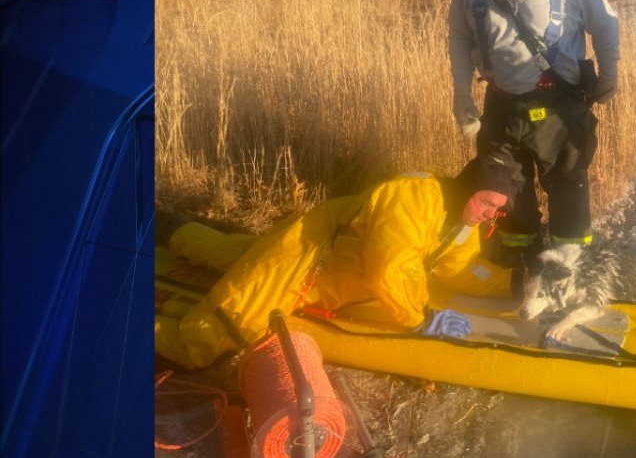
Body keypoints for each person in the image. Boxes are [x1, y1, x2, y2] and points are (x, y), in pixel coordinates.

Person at [154, 158, 516, 369]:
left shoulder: (461, 225)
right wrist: (420, 318)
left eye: (497, 209)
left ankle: (161, 224)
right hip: (304, 257)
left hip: (327, 270)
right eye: (487, 202)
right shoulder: (414, 198)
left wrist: (513, 283)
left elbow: (461, 268)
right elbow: (388, 266)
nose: (490, 214)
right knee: (213, 339)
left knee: (231, 255)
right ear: (467, 189)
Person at [448, 0, 620, 266]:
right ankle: (519, 270)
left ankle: (569, 271)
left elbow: (607, 24)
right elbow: (458, 36)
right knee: (507, 197)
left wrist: (609, 74)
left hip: (557, 109)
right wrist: (462, 93)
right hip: (500, 108)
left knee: (569, 190)